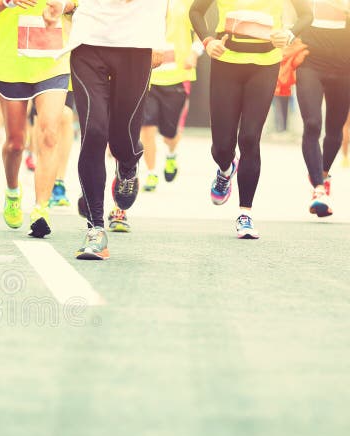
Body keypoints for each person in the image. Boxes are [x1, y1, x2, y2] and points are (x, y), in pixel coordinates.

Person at [190, 0, 312, 239]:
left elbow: (307, 14)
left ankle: (245, 214)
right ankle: (226, 169)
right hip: (226, 62)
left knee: (249, 138)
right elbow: (195, 10)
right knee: (222, 147)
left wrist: (288, 34)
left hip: (265, 64)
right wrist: (208, 40)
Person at [67, 0, 166, 260]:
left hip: (136, 41)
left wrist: (158, 39)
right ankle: (95, 229)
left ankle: (127, 166)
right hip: (88, 38)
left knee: (123, 139)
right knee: (94, 130)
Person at [0, 0, 76, 238]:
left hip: (53, 62)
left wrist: (63, 5)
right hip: (11, 63)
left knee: (50, 133)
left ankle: (41, 209)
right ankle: (12, 192)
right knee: (16, 144)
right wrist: (6, 2)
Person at [139, 0, 199, 199]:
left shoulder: (187, 3)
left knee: (169, 134)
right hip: (149, 75)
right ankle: (151, 173)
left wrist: (195, 53)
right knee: (146, 126)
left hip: (178, 76)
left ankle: (171, 154)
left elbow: (201, 29)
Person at [296, 0, 350, 218]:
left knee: (335, 130)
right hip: (310, 62)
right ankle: (318, 188)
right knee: (312, 124)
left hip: (345, 65)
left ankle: (324, 174)